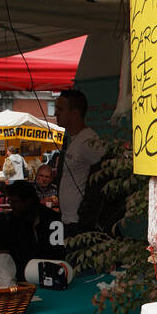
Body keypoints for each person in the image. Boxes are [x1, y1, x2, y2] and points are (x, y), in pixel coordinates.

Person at [54, 89, 107, 236]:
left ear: (75, 113)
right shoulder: (73, 139)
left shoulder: (88, 140)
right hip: (69, 221)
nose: (55, 114)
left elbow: (107, 172)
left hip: (81, 224)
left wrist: (88, 211)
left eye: (60, 109)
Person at [2, 179, 63, 273]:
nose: (12, 205)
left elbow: (56, 252)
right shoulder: (13, 218)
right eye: (10, 201)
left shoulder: (50, 218)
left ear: (28, 201)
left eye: (15, 202)